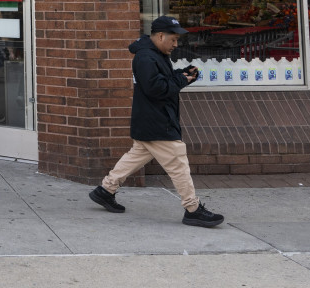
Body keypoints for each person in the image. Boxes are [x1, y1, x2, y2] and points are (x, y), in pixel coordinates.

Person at [88, 15, 225, 228]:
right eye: (173, 40)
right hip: (158, 121)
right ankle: (193, 209)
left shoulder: (154, 55)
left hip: (151, 119)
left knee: (136, 156)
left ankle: (105, 190)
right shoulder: (145, 58)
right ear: (160, 36)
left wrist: (182, 75)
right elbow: (155, 88)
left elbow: (161, 81)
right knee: (178, 162)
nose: (176, 45)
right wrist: (181, 79)